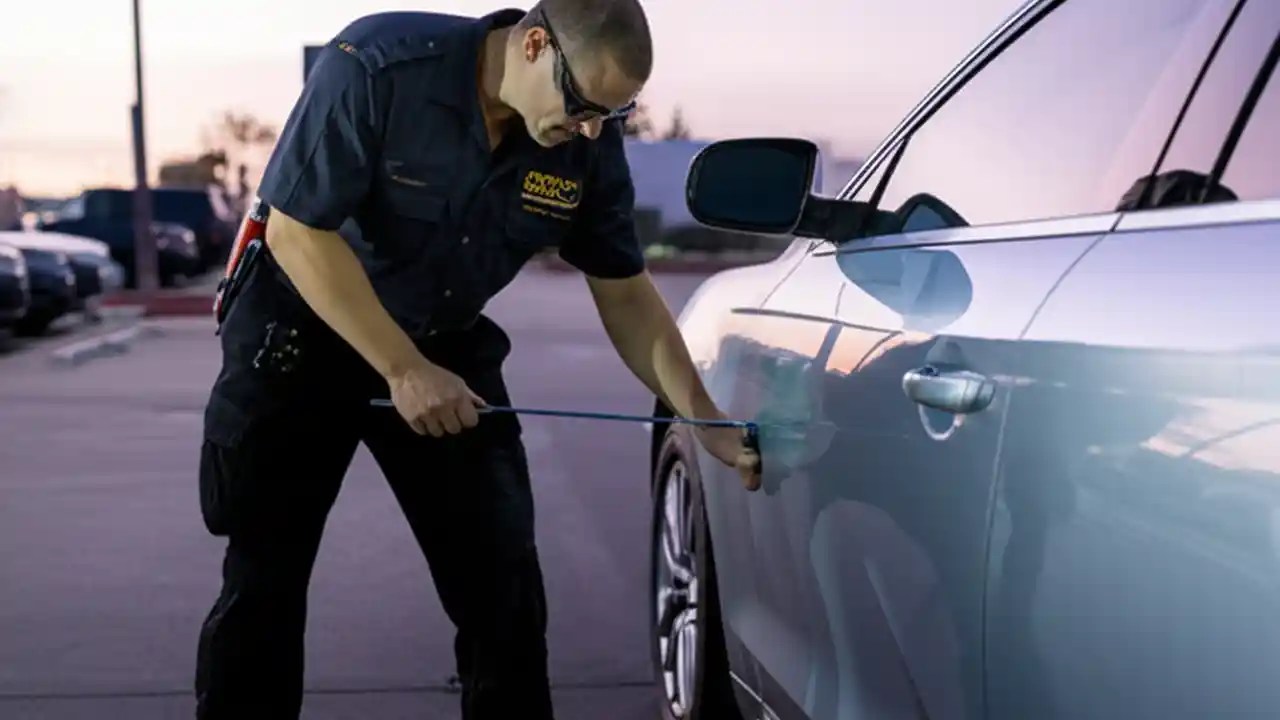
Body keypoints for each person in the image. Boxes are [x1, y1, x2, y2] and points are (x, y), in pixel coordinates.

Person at [193, 1, 760, 718]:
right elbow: (297, 232)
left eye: (610, 115)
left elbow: (624, 293)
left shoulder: (582, 140)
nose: (591, 129)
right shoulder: (378, 67)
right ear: (534, 44)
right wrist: (402, 368)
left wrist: (702, 417)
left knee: (504, 592)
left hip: (443, 341)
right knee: (264, 583)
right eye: (583, 105)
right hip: (303, 330)